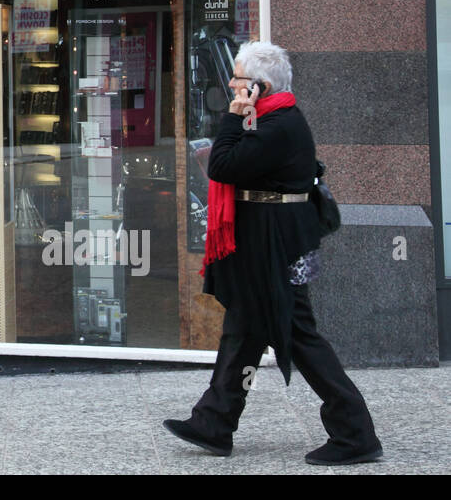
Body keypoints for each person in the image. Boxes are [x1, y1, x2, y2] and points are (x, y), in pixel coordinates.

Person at [162, 41, 382, 466]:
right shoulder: (271, 118)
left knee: (299, 335)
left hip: (279, 248)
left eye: (239, 79)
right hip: (266, 244)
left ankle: (356, 433)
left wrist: (230, 118)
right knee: (243, 332)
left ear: (259, 87)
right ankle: (215, 422)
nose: (231, 85)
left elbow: (222, 166)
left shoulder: (278, 125)